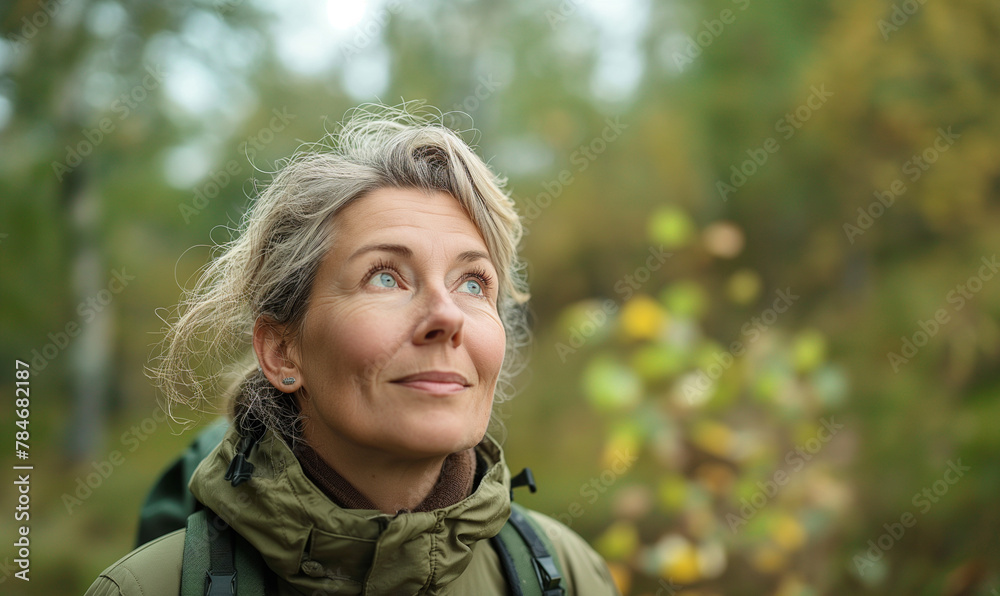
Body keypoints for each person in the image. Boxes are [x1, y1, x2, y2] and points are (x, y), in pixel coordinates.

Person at [84, 105, 620, 595]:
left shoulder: (567, 575)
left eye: (473, 283)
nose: (446, 316)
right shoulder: (143, 589)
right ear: (282, 352)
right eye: (385, 277)